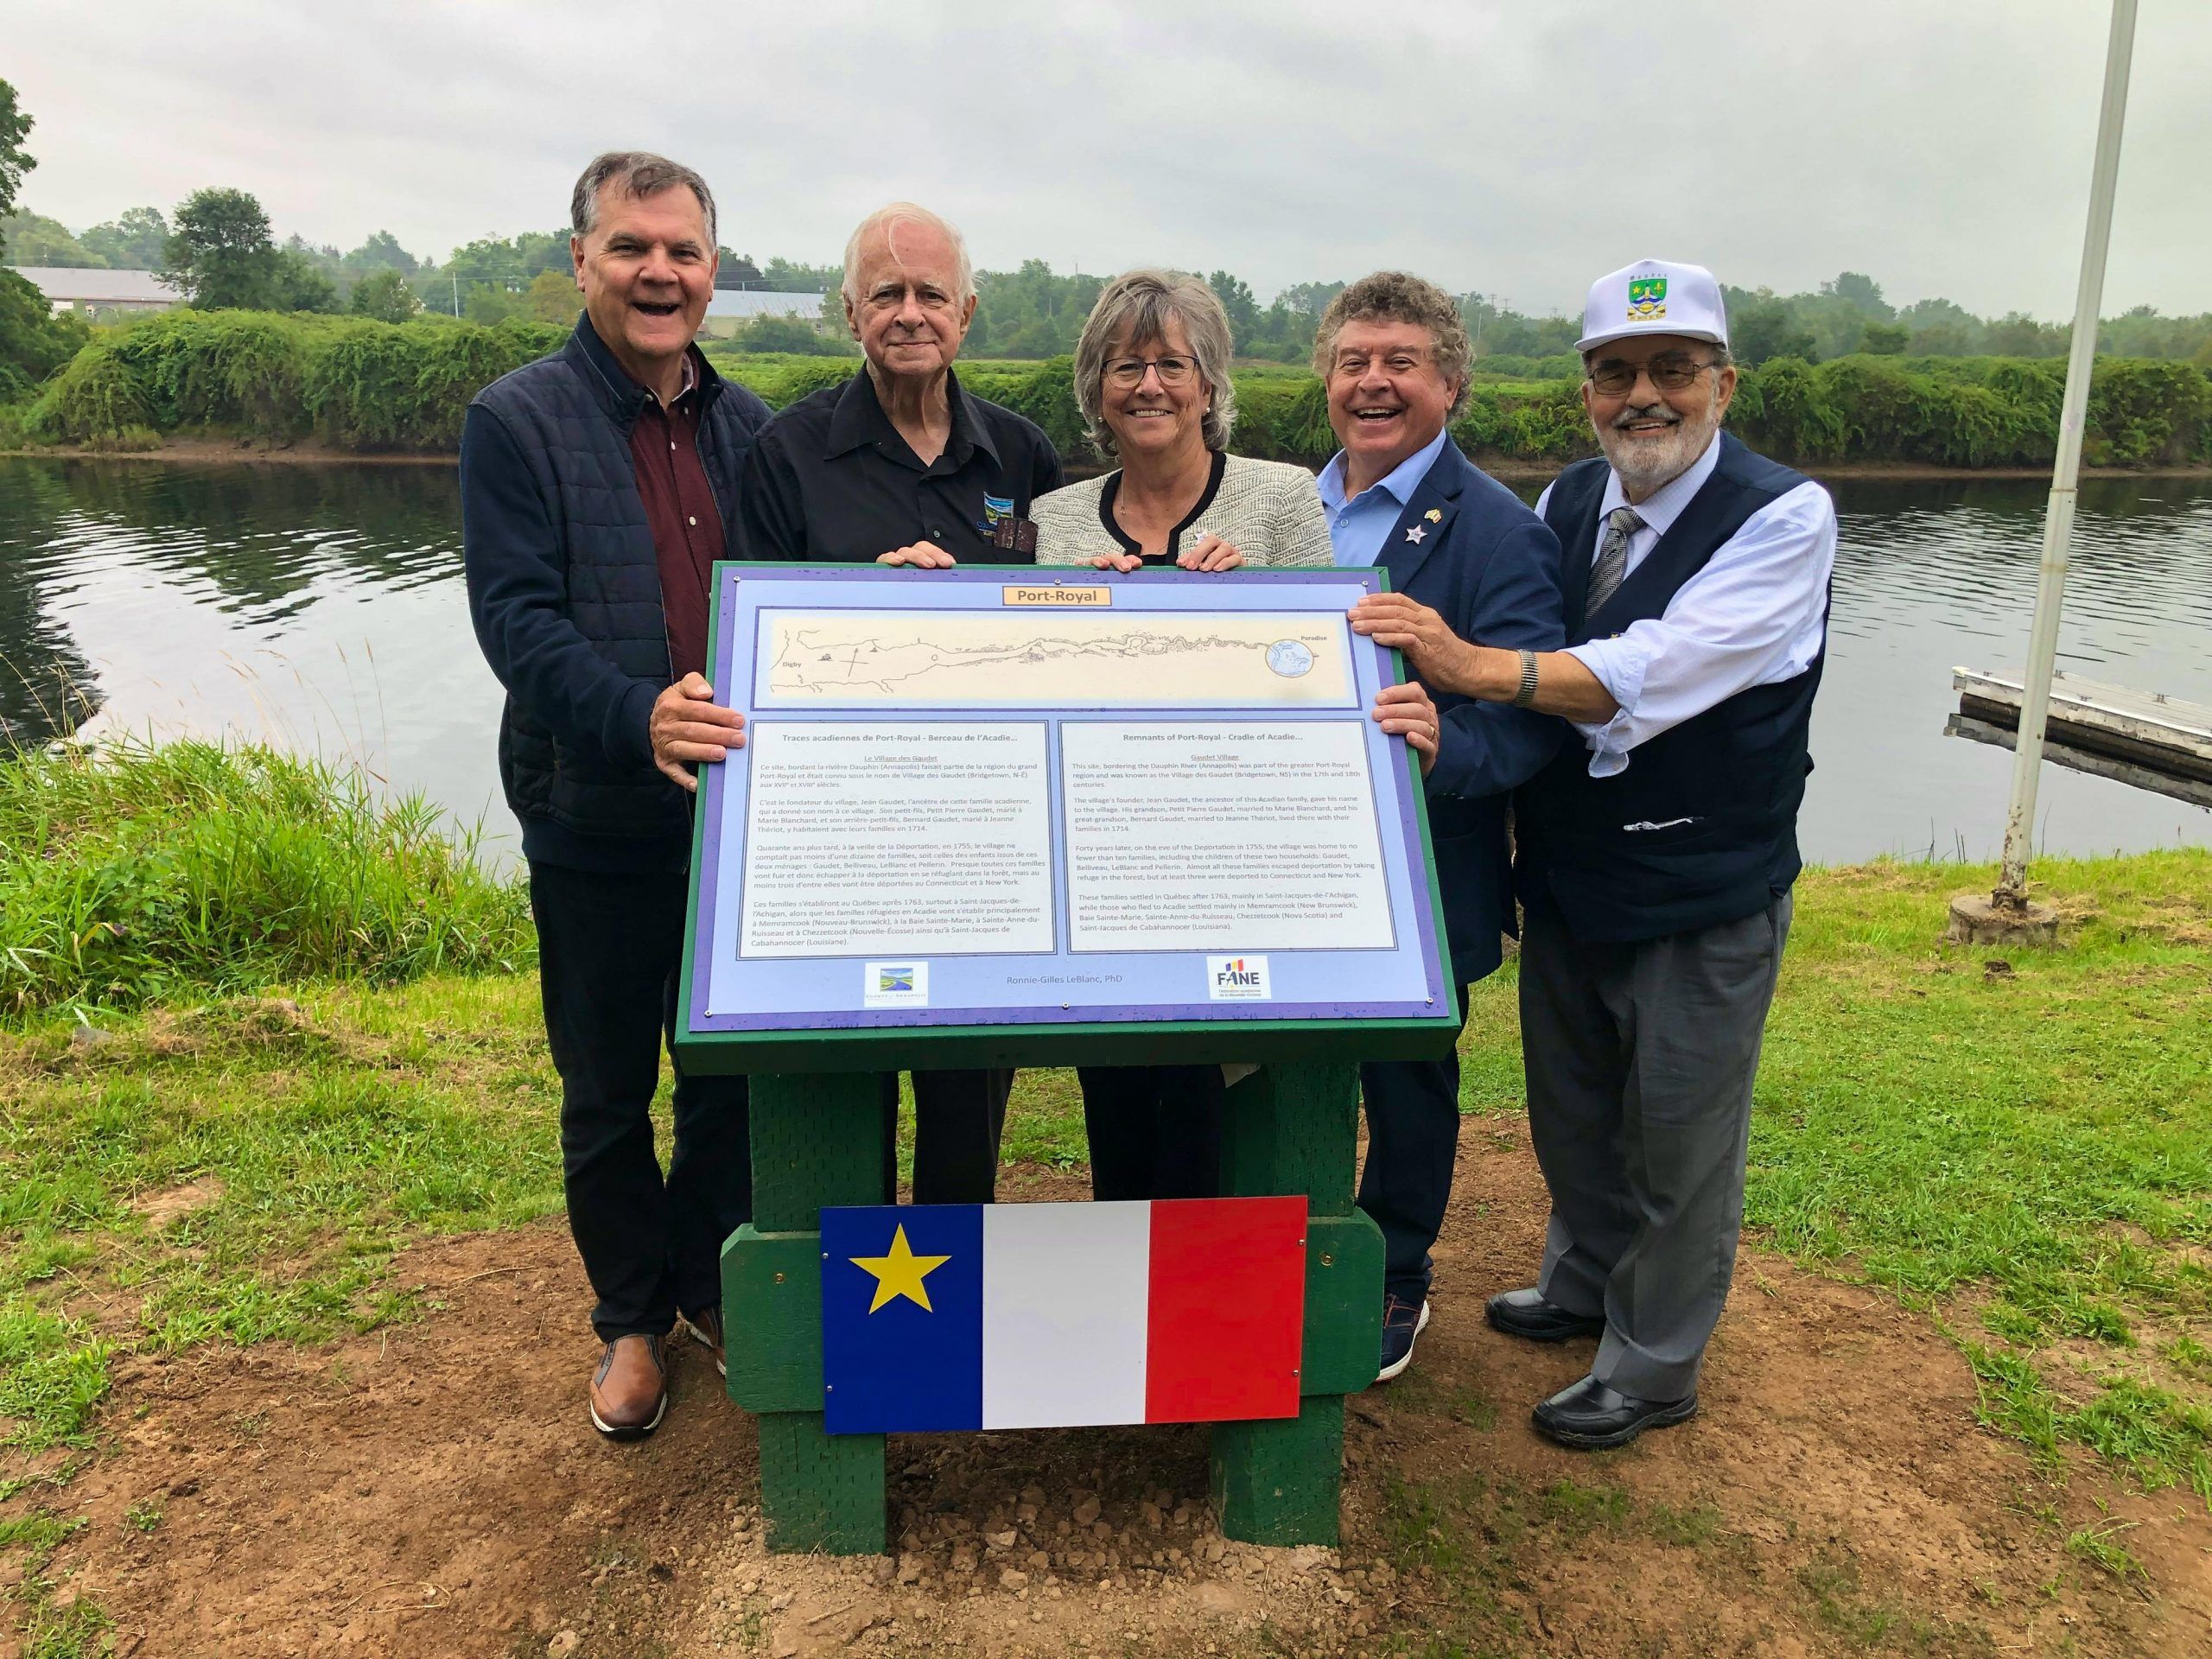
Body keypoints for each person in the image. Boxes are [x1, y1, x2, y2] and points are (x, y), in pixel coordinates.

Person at [1352, 258, 1835, 1448]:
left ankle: (1655, 1361)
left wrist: (1468, 670)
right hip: (1572, 875)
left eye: (1674, 371)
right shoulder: (1570, 503)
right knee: (1574, 1110)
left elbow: (1661, 667)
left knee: (1678, 1135)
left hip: (1702, 886)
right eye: (1617, 374)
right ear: (1586, 395)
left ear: (1724, 383)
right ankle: (1581, 1284)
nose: (1645, 397)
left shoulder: (1785, 516)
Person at [462, 152, 771, 1440]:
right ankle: (629, 1321)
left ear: (712, 270)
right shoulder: (516, 419)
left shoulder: (755, 427)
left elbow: (795, 600)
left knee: (722, 1076)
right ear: (582, 259)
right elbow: (514, 623)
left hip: (731, 823)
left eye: (684, 252)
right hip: (592, 811)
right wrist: (631, 712)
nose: (661, 273)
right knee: (606, 1088)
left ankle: (705, 1281)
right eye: (632, 248)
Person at [737, 203, 1064, 1205]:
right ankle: (857, 1315)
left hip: (985, 835)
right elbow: (753, 651)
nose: (909, 313)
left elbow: (1059, 638)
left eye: (930, 293)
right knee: (847, 1079)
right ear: (850, 313)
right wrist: (863, 615)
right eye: (886, 293)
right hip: (847, 832)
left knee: (971, 1084)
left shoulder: (1023, 459)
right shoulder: (783, 455)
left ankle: (949, 1302)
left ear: (967, 312)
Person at [1026, 268, 1338, 1201]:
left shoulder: (1282, 502)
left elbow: (1324, 669)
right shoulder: (1053, 520)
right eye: (1126, 366)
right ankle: (1132, 1292)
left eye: (1172, 362)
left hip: (1237, 862)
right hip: (1104, 861)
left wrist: (1247, 615)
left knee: (1228, 1106)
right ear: (1095, 388)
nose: (1149, 385)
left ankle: (1222, 1314)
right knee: (1117, 1085)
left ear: (1210, 383)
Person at [1309, 273, 1566, 1382]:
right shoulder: (1272, 508)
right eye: (1353, 361)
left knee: (1406, 1078)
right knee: (1273, 1061)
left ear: (1449, 383)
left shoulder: (1502, 532)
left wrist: (1444, 742)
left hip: (1421, 866)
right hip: (1270, 858)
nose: (1373, 382)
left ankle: (1396, 1267)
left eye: (1399, 362)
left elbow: (1533, 722)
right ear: (1325, 380)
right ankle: (1285, 1244)